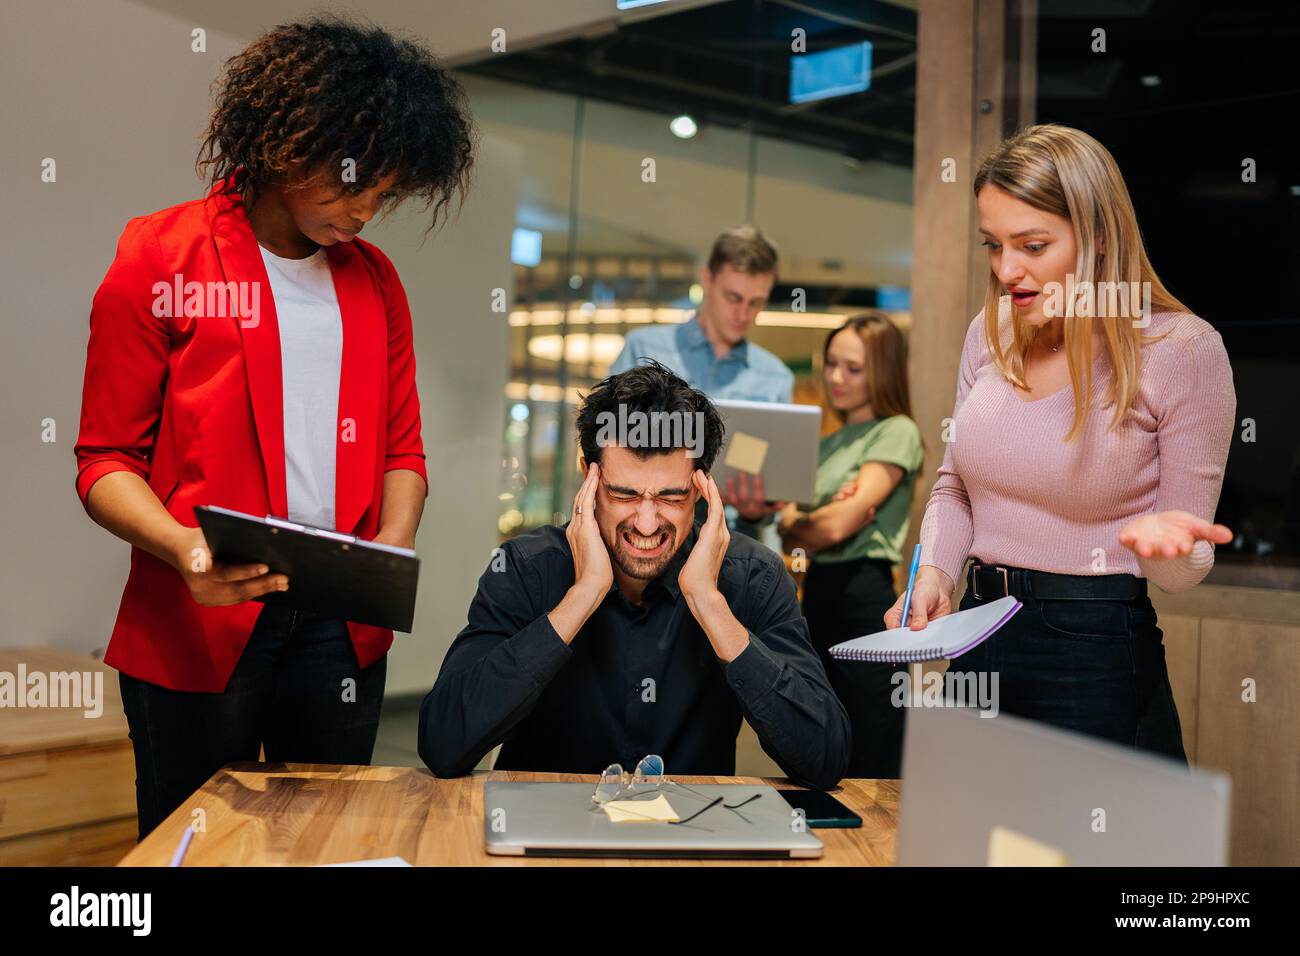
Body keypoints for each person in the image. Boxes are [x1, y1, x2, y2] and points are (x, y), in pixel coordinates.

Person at [73, 17, 474, 839]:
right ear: (287, 141)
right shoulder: (162, 256)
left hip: (338, 620)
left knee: (325, 841)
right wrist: (187, 549)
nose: (366, 210)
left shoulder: (376, 281)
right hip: (198, 608)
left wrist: (388, 549)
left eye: (385, 194)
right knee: (192, 840)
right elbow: (104, 460)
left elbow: (403, 450)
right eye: (353, 180)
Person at [889, 124, 1235, 762]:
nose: (1006, 270)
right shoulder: (990, 330)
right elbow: (954, 486)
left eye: (1033, 245)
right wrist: (936, 572)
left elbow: (1184, 570)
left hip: (1093, 646)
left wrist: (1169, 547)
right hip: (977, 626)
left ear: (1099, 238)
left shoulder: (1182, 351)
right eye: (993, 245)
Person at [418, 362, 850, 789]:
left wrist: (709, 604)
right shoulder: (526, 568)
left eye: (671, 496)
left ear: (703, 488)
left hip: (690, 840)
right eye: (624, 494)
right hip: (548, 836)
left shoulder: (752, 576)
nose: (646, 523)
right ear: (590, 477)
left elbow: (825, 757)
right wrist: (583, 594)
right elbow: (444, 743)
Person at [779, 313, 923, 778]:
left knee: (873, 745)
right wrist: (816, 520)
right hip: (817, 592)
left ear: (882, 371)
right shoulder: (825, 443)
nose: (836, 378)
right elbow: (789, 527)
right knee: (818, 735)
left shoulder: (896, 430)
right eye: (832, 364)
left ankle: (877, 850)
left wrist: (814, 519)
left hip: (866, 596)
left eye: (854, 368)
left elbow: (834, 529)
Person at [609, 225, 793, 536]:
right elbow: (606, 439)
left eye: (756, 302)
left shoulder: (775, 377)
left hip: (732, 539)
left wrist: (757, 508)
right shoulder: (644, 349)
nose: (743, 313)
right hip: (645, 529)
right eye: (733, 297)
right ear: (707, 279)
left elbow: (773, 477)